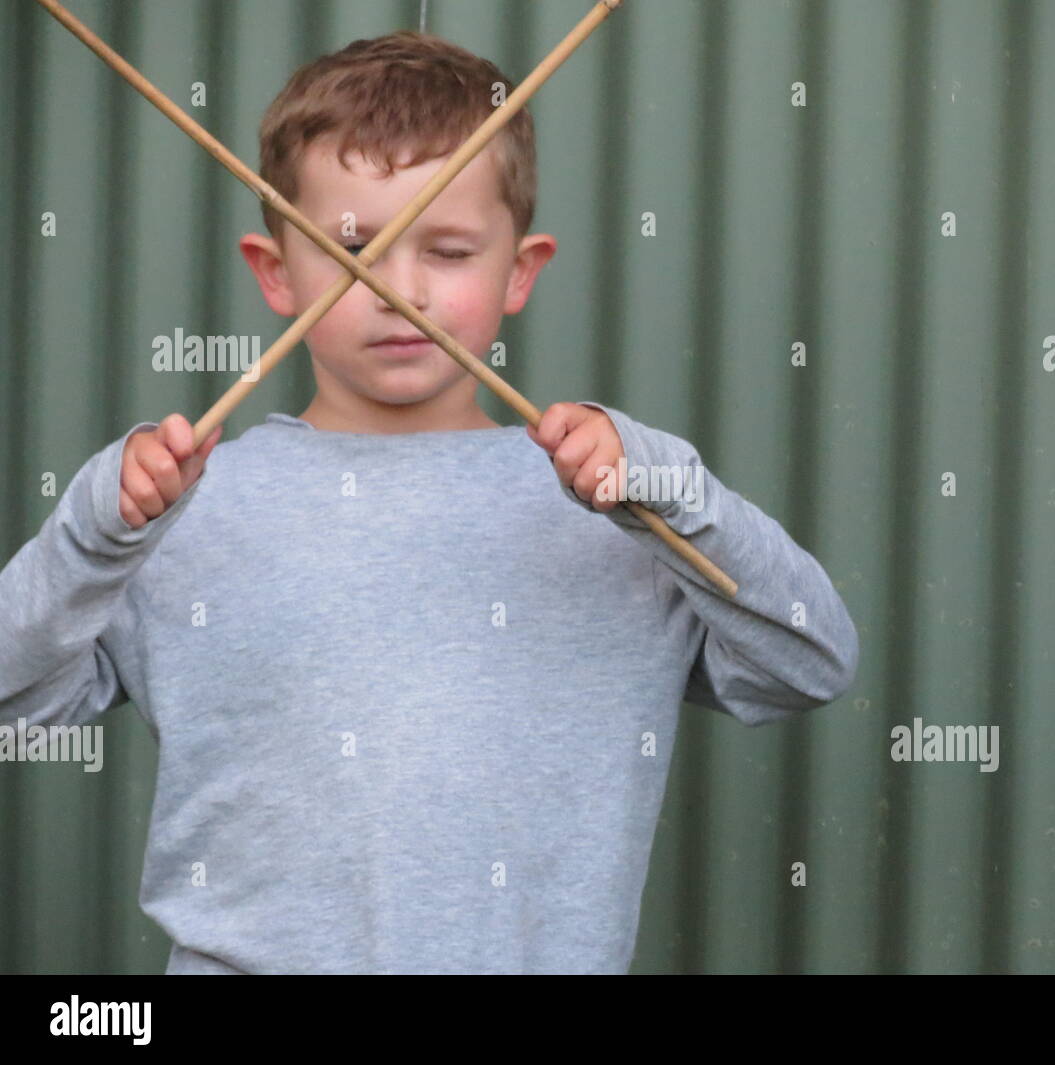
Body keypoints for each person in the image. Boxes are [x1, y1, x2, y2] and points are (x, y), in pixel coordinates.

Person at [0, 30, 858, 974]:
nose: (400, 293)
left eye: (447, 251)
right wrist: (94, 535)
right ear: (275, 270)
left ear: (520, 270)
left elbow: (809, 660)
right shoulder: (182, 512)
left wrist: (669, 488)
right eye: (353, 250)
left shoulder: (618, 511)